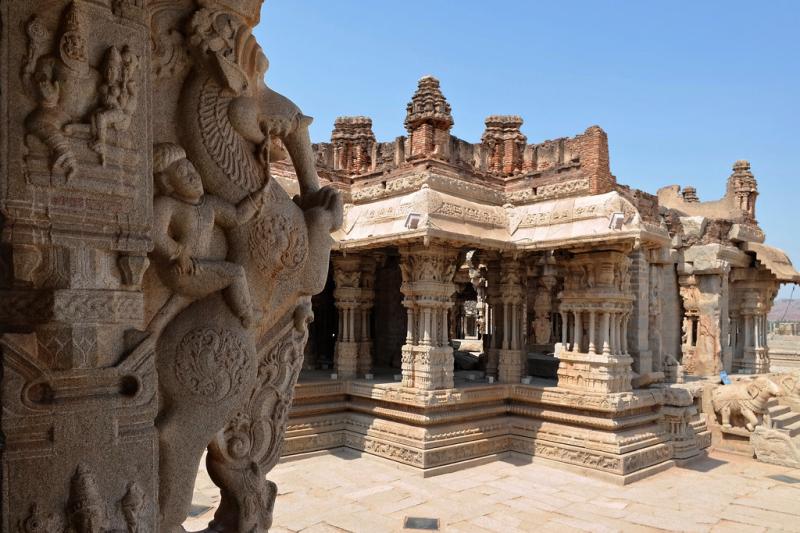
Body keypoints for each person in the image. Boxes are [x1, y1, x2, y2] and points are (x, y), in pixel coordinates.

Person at [148, 142, 267, 335]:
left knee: (171, 307)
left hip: (197, 268)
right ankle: (247, 315)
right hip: (182, 268)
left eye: (192, 170)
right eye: (182, 174)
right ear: (168, 184)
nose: (193, 177)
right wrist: (179, 254)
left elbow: (235, 217)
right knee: (235, 273)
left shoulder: (209, 205)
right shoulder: (168, 205)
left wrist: (256, 200)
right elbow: (154, 232)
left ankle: (150, 334)